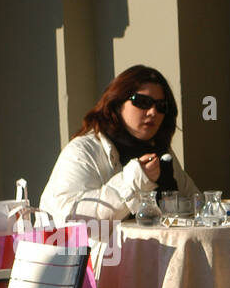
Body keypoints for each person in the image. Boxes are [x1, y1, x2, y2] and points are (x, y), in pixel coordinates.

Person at [40, 65, 200, 222]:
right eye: (142, 102)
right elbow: (66, 215)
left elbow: (197, 205)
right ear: (117, 103)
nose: (152, 112)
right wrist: (133, 181)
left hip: (158, 248)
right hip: (92, 249)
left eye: (161, 106)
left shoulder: (161, 153)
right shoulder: (84, 150)